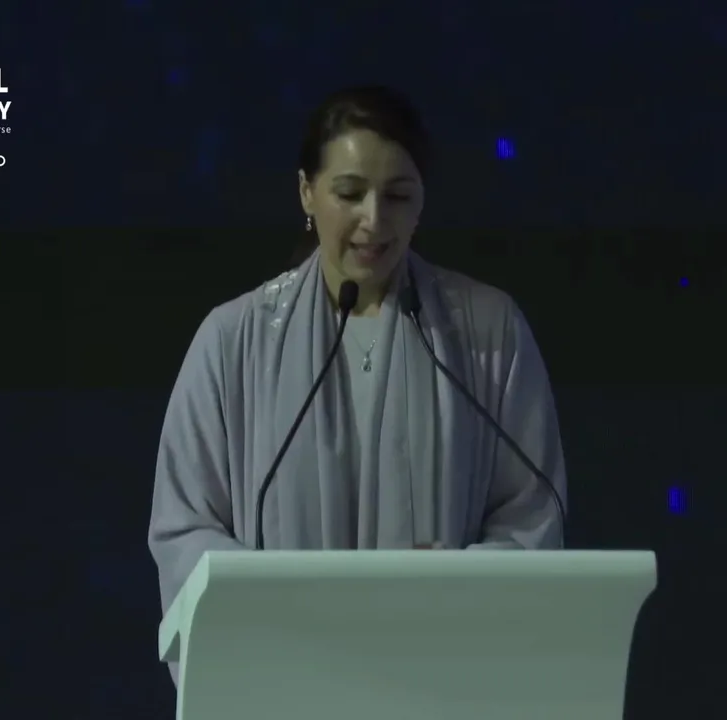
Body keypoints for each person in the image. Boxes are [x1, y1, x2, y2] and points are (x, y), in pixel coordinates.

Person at [148, 85, 567, 632]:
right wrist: (289, 607)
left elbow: (531, 515)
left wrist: (449, 586)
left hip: (439, 661)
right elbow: (185, 528)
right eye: (350, 193)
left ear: (422, 199)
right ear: (307, 192)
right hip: (288, 664)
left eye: (397, 196)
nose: (374, 219)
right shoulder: (232, 342)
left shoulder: (490, 332)